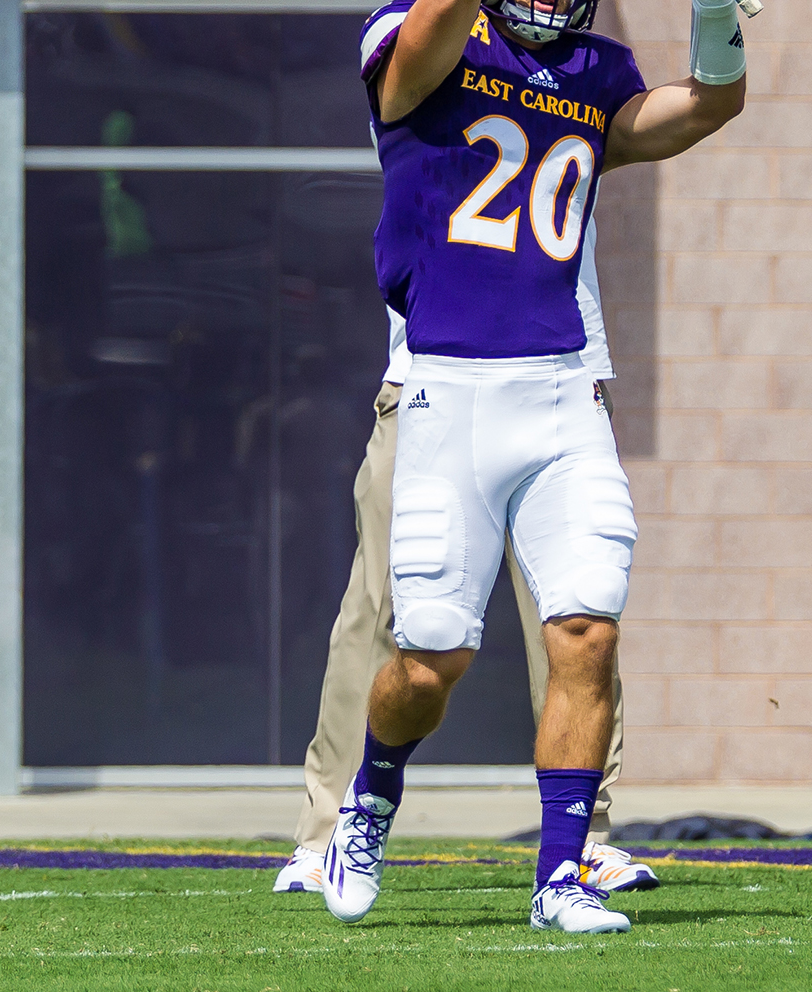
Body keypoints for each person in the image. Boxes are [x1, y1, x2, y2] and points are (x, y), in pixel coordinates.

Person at [318, 0, 747, 934]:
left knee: (587, 631)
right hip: (447, 389)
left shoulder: (597, 80)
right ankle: (369, 801)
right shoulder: (419, 53)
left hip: (561, 390)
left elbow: (711, 106)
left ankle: (560, 875)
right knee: (431, 662)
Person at [273, 263, 661, 900]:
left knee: (581, 614)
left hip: (563, 381)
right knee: (386, 612)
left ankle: (582, 838)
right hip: (433, 382)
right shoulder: (431, 154)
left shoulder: (580, 153)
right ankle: (327, 833)